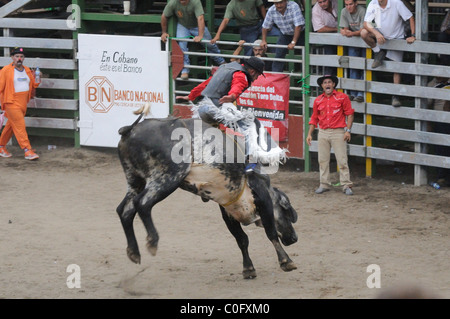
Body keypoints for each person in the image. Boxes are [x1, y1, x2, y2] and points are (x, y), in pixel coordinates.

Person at [176, 56, 285, 170]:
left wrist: (190, 96)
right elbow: (238, 85)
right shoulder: (241, 75)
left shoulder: (225, 68)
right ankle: (251, 161)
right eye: (257, 74)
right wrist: (232, 96)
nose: (257, 78)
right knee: (251, 123)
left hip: (202, 109)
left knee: (205, 133)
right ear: (252, 71)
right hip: (216, 109)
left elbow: (206, 84)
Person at [361, 0, 416, 107]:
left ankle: (395, 96)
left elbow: (410, 17)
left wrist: (413, 35)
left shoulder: (396, 2)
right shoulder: (373, 3)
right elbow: (365, 23)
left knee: (396, 69)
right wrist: (376, 33)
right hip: (380, 35)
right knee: (364, 32)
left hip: (396, 37)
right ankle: (378, 52)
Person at [306, 75, 355, 195]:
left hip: (338, 131)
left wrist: (348, 130)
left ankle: (346, 184)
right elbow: (314, 118)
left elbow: (349, 114)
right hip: (323, 131)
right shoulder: (318, 100)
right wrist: (309, 134)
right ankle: (324, 183)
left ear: (333, 84)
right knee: (322, 160)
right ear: (322, 86)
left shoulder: (342, 97)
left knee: (342, 159)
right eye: (325, 83)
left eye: (329, 82)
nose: (327, 84)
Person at [160, 0, 226, 80]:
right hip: (183, 25)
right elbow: (164, 16)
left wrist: (200, 35)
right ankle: (185, 70)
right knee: (181, 44)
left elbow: (200, 18)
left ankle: (222, 62)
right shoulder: (173, 3)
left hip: (196, 25)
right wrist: (164, 32)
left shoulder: (195, 2)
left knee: (209, 43)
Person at [0, 47, 40, 160]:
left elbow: (34, 84)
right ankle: (27, 150)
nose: (19, 59)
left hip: (23, 102)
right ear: (12, 57)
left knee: (12, 126)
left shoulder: (27, 70)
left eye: (21, 57)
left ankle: (1, 146)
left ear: (24, 58)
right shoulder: (6, 70)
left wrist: (38, 76)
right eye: (17, 56)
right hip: (11, 102)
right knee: (20, 125)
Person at [211, 0, 280, 57]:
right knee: (249, 51)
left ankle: (275, 62)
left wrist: (267, 22)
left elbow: (261, 7)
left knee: (277, 36)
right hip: (246, 28)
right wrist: (218, 34)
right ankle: (249, 69)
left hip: (259, 23)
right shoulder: (231, 5)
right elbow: (226, 20)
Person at [260, 0, 305, 73]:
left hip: (301, 34)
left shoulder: (294, 6)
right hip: (285, 34)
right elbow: (265, 26)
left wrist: (293, 42)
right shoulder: (272, 10)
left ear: (286, 1)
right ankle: (276, 77)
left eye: (280, 2)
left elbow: (298, 26)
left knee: (303, 55)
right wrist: (264, 40)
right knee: (279, 56)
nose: (278, 5)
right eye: (276, 3)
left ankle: (303, 77)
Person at [339, 0, 366, 102]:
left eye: (350, 4)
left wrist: (350, 33)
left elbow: (364, 30)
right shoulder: (344, 11)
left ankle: (361, 93)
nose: (348, 7)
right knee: (353, 66)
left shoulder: (362, 11)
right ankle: (353, 93)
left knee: (363, 66)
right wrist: (345, 31)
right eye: (346, 4)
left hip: (364, 41)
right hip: (353, 41)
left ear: (356, 3)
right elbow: (345, 28)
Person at [427, 76, 450, 188]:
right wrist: (429, 123)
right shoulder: (432, 84)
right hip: (440, 120)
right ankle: (442, 176)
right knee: (441, 149)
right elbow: (427, 104)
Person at [312, 0, 338, 76]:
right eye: (320, 2)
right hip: (327, 37)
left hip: (343, 34)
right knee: (329, 55)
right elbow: (320, 29)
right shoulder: (316, 10)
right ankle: (328, 77)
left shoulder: (336, 2)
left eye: (324, 1)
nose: (323, 4)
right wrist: (337, 29)